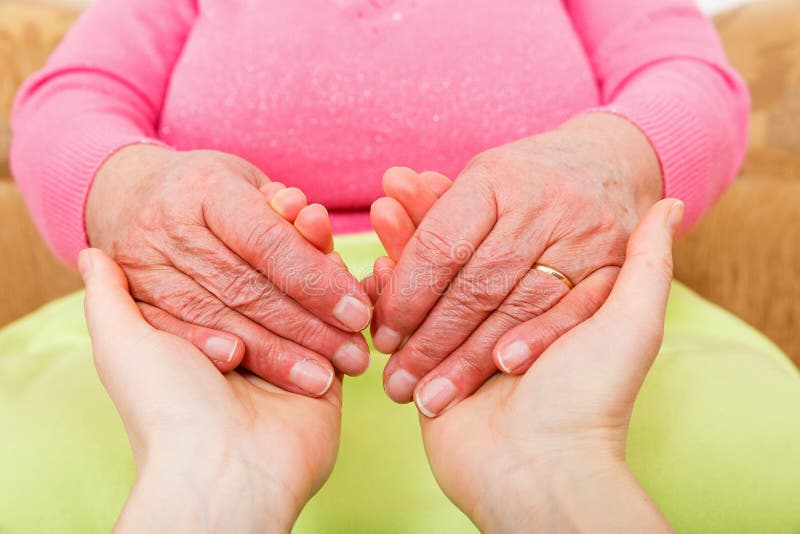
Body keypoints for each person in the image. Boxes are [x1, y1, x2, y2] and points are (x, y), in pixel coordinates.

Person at [12, 0, 749, 407]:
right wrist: (132, 191)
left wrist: (607, 163)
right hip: (180, 356)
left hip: (578, 342)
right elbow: (70, 99)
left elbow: (689, 76)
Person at [80, 199, 680, 532]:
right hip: (198, 324)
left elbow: (682, 75)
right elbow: (71, 102)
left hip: (559, 314)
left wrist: (552, 457)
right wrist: (214, 461)